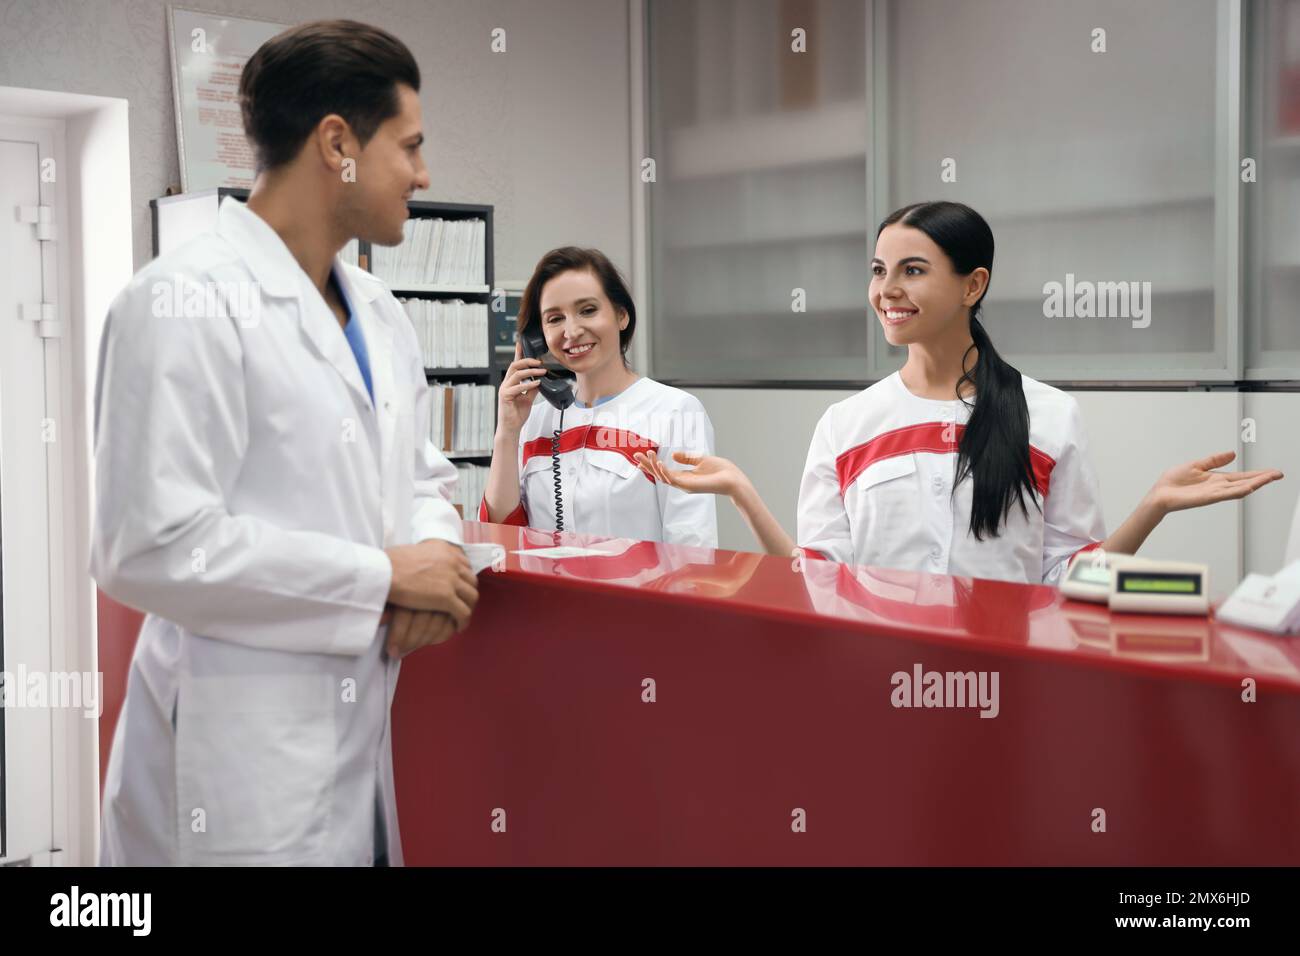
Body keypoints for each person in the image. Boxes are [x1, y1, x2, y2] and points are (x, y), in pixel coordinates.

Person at [92, 20, 478, 866]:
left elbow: (423, 478)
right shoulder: (181, 303)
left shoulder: (381, 314)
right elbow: (147, 546)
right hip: (235, 766)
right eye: (408, 146)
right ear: (337, 142)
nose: (424, 174)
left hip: (362, 745)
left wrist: (434, 561)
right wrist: (380, 578)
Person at [636, 201, 1284, 584]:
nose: (886, 289)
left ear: (972, 286)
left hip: (1011, 687)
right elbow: (820, 584)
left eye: (912, 271)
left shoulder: (1049, 415)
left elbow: (1065, 580)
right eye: (878, 270)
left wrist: (1153, 507)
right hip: (877, 682)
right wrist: (743, 494)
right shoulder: (847, 424)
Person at [480, 246, 718, 546]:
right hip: (546, 592)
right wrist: (507, 432)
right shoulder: (534, 421)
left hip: (637, 593)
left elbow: (692, 546)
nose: (572, 330)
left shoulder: (676, 411)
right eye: (555, 318)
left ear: (621, 315)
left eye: (587, 310)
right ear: (536, 337)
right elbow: (502, 538)